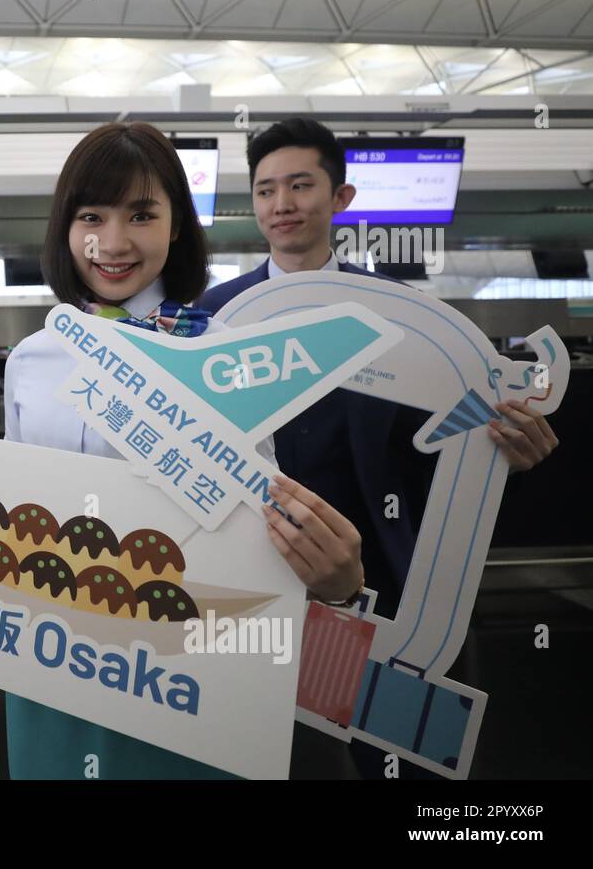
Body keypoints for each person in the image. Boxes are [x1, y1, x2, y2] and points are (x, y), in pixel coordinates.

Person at [0, 122, 368, 779]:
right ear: (66, 228)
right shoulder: (33, 358)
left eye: (141, 214)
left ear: (175, 225)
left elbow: (261, 525)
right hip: (52, 653)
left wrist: (333, 583)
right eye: (91, 216)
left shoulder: (225, 357)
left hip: (181, 664)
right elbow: (14, 502)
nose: (112, 243)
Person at [197, 118, 558, 778]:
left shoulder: (405, 320)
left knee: (386, 761)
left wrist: (509, 449)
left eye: (301, 185)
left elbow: (444, 451)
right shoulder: (212, 318)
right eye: (265, 189)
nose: (281, 204)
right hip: (248, 586)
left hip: (379, 590)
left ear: (341, 198)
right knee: (252, 756)